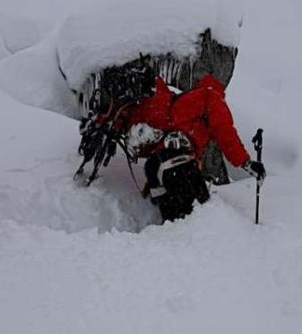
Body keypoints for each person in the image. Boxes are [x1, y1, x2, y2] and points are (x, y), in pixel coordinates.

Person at [81, 63, 266, 222]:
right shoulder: (209, 98)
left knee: (175, 210)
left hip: (157, 165)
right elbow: (225, 131)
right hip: (176, 164)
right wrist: (245, 162)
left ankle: (173, 231)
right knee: (193, 210)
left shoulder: (171, 104)